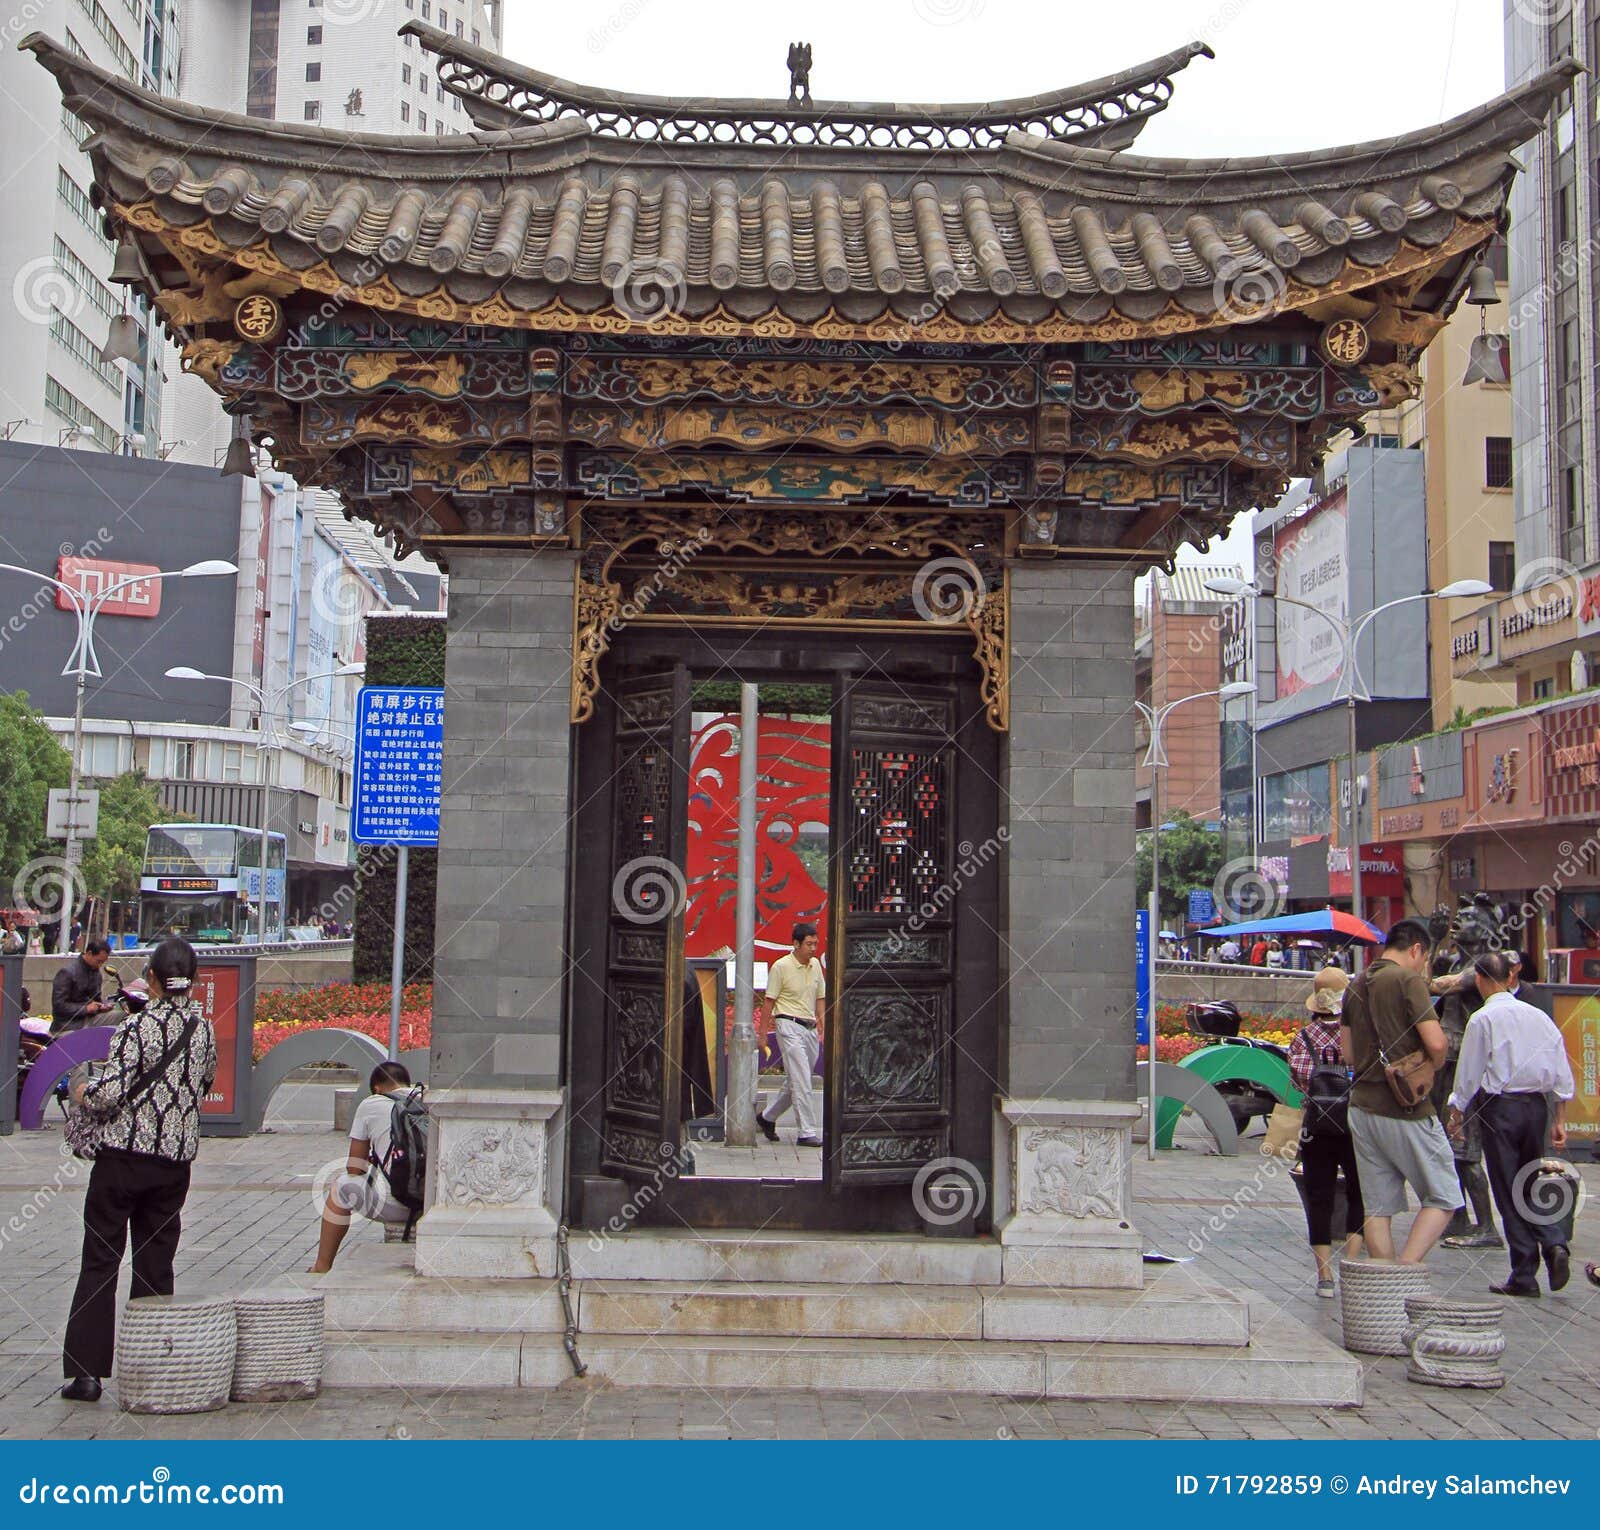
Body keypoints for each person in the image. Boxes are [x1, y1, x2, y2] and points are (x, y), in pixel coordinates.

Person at [60, 937, 217, 1401]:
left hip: (122, 1162)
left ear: (151, 979)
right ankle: (154, 1368)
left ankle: (87, 1375)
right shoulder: (202, 1030)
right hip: (173, 1167)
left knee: (101, 1260)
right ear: (192, 981)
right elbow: (204, 1081)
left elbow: (109, 1094)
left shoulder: (135, 1028)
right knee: (155, 1263)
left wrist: (80, 1092)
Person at [1446, 952, 1575, 1297]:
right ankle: (1553, 1242)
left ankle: (1524, 1274)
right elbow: (1561, 1067)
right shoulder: (1539, 1017)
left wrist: (1456, 1110)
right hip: (1536, 1107)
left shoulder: (1483, 1018)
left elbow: (1469, 1072)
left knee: (1507, 1187)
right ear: (1509, 979)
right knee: (1531, 1181)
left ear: (1482, 980)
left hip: (1500, 1109)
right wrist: (1559, 1118)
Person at [1340, 919, 1461, 1264]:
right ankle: (1407, 1268)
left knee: (1378, 1205)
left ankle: (1386, 1283)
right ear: (1416, 949)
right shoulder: (1408, 980)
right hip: (1405, 1108)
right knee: (1443, 1195)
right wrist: (1431, 1065)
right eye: (1424, 959)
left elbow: (1348, 1053)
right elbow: (1437, 1042)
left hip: (1362, 1107)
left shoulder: (1356, 984)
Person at [1288, 966, 1365, 1296]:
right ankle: (1351, 1265)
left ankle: (1324, 1277)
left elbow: (1299, 1082)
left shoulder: (1303, 1038)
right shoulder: (1359, 1035)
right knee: (1358, 1194)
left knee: (1319, 1199)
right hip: (1354, 1125)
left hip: (1316, 1128)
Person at [307, 1061, 418, 1273]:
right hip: (432, 1206)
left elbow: (354, 1168)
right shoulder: (426, 1099)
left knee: (341, 1187)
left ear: (376, 1088)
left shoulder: (371, 1103)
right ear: (407, 1082)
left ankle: (322, 1266)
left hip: (397, 1203)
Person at [755, 922, 825, 1147]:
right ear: (796, 944)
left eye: (815, 944)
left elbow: (820, 997)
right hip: (788, 1024)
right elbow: (769, 1002)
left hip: (810, 1027)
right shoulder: (781, 967)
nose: (813, 948)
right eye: (809, 944)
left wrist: (823, 1021)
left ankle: (767, 1118)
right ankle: (806, 1131)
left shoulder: (815, 965)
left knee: (796, 1079)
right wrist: (763, 1033)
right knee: (803, 1080)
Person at [51, 936, 114, 1034]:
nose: (100, 965)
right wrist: (85, 1009)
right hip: (67, 1025)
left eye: (103, 962)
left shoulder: (96, 974)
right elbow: (59, 1005)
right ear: (89, 954)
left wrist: (101, 1006)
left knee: (122, 1017)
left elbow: (96, 999)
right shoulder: (67, 973)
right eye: (99, 961)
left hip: (89, 1019)